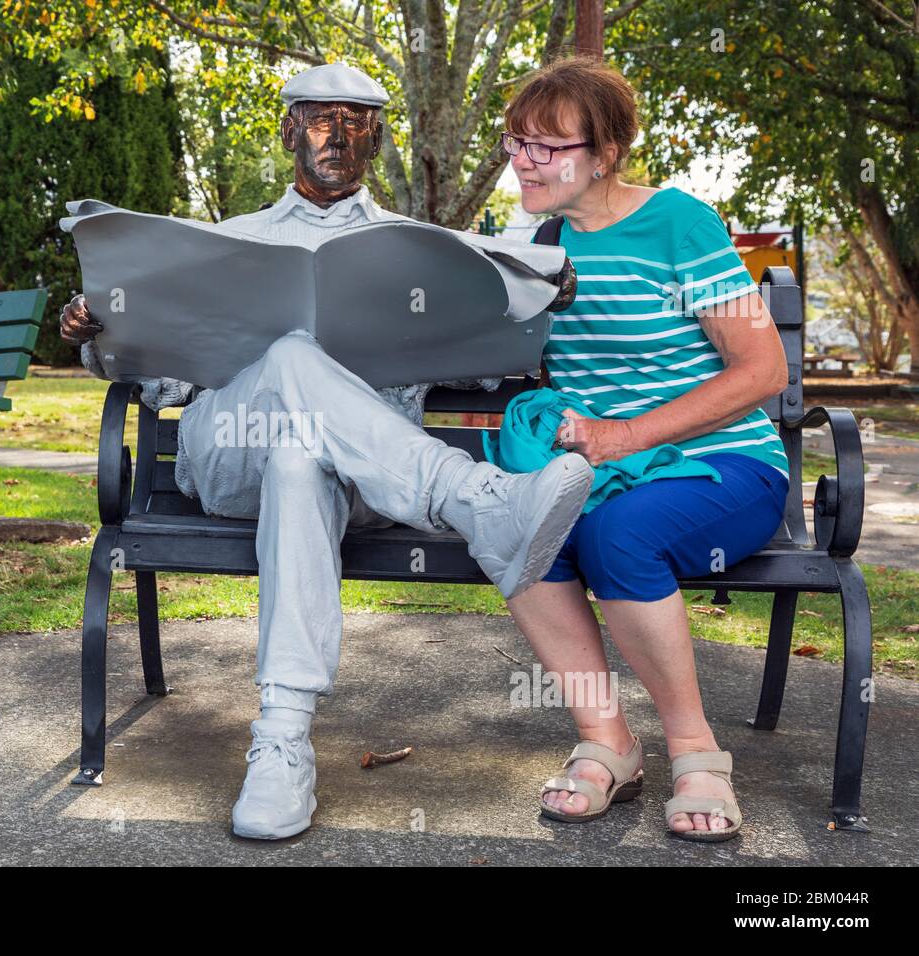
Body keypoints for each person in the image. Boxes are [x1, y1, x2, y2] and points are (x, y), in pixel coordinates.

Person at [60, 62, 593, 840]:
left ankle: (281, 744)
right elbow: (158, 374)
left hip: (360, 480)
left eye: (355, 120)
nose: (336, 135)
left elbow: (488, 356)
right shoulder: (225, 241)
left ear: (377, 137)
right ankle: (470, 501)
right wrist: (95, 335)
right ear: (287, 130)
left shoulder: (417, 249)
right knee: (289, 360)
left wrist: (538, 294)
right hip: (225, 455)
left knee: (299, 458)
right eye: (318, 118)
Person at [498, 55, 790, 842]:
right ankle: (609, 744)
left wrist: (627, 434)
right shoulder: (535, 244)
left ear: (605, 154)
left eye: (547, 146)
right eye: (516, 142)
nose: (525, 160)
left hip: (726, 463)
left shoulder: (678, 224)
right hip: (605, 469)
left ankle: (696, 751)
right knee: (518, 524)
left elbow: (763, 369)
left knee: (618, 532)